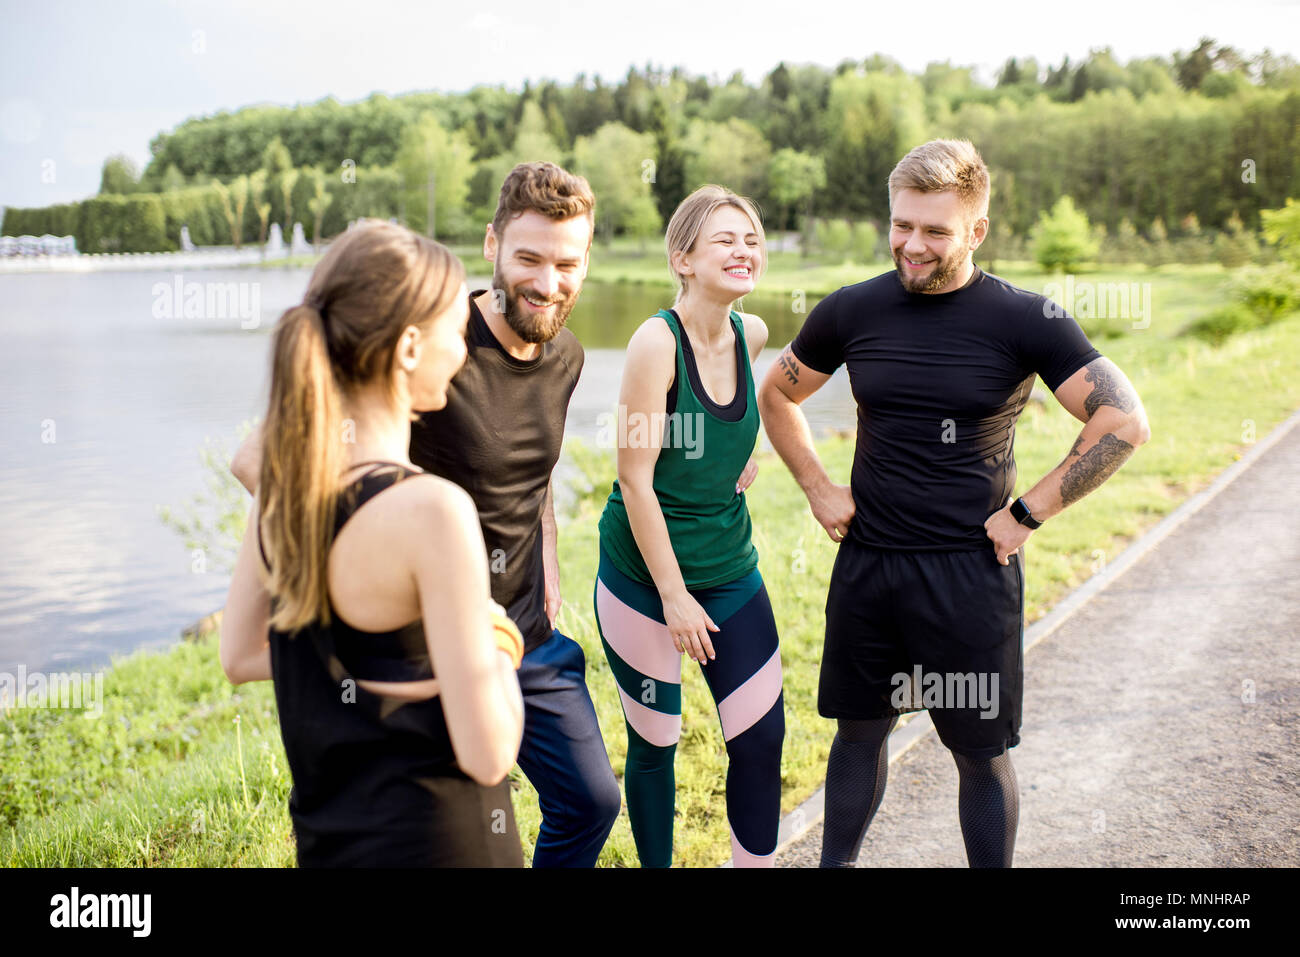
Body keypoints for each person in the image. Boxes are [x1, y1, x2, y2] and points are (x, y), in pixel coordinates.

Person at [758, 139, 1151, 868]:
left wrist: (1028, 512)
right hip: (871, 566)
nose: (912, 244)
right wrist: (817, 485)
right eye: (902, 224)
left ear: (977, 229)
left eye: (934, 230)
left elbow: (1123, 420)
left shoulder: (1026, 317)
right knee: (859, 732)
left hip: (969, 575)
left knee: (979, 753)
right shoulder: (851, 308)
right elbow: (777, 392)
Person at [231, 162, 620, 867]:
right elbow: (267, 454)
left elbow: (536, 476)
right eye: (528, 257)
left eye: (567, 262)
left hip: (522, 632)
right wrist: (349, 578)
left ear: (587, 257)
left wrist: (548, 565)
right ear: (493, 243)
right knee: (469, 799)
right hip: (426, 641)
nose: (547, 280)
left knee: (591, 800)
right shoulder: (424, 349)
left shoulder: (567, 357)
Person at [219, 219, 527, 867]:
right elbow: (490, 750)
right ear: (409, 347)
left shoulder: (286, 493)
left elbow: (244, 652)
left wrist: (392, 670)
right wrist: (497, 640)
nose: (466, 347)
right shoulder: (433, 511)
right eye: (455, 327)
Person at [594, 185, 785, 867]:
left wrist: (748, 450)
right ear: (683, 257)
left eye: (752, 239)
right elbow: (634, 478)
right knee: (657, 741)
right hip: (642, 577)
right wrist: (673, 595)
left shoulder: (750, 333)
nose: (743, 250)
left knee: (760, 741)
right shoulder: (654, 344)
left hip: (731, 569)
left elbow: (736, 417)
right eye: (724, 240)